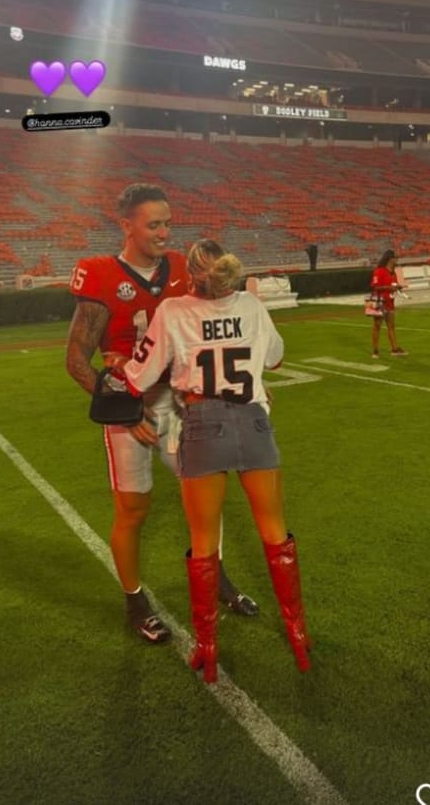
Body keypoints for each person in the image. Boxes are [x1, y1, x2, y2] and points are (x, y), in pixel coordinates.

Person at [65, 184, 259, 646]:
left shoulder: (182, 268)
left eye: (167, 223)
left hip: (181, 403)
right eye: (153, 224)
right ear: (126, 225)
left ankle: (217, 580)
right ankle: (135, 601)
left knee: (204, 497)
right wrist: (126, 411)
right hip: (130, 408)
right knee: (133, 509)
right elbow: (76, 360)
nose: (164, 232)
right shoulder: (100, 273)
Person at [121, 239, 312, 684]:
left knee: (204, 540)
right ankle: (299, 638)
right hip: (253, 421)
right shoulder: (250, 304)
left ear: (190, 273)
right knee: (275, 532)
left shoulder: (172, 310)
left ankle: (207, 650)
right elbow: (277, 359)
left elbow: (138, 377)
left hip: (203, 425)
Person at [369, 249, 408, 358]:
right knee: (377, 326)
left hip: (390, 302)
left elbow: (392, 285)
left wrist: (397, 288)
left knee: (391, 326)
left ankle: (394, 349)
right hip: (379, 301)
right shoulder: (379, 271)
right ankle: (375, 350)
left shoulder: (394, 272)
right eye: (395, 257)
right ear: (390, 258)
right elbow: (374, 286)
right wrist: (389, 287)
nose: (397, 259)